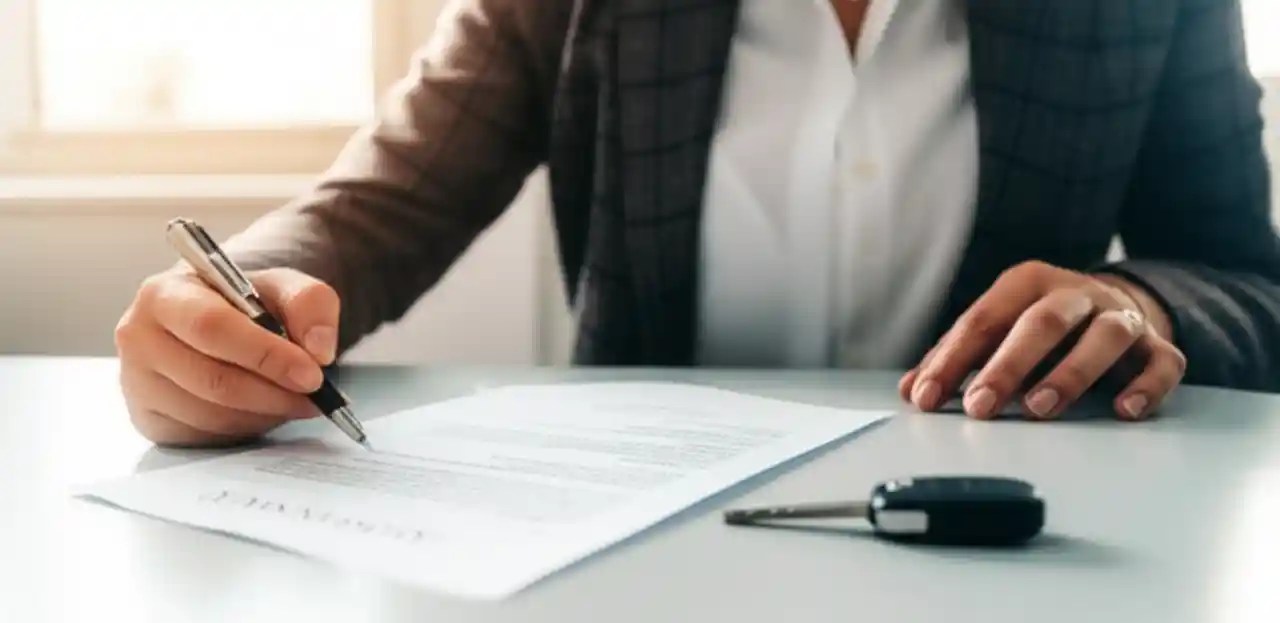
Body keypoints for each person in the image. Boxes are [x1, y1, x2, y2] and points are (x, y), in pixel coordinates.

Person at [115, 0, 1280, 447]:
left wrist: (1141, 303)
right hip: (637, 559)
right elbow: (376, 206)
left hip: (1021, 552)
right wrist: (232, 306)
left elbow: (1246, 279)